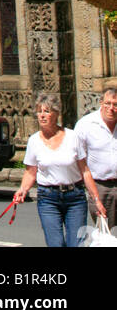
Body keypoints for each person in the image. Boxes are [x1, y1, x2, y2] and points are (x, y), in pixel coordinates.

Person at [14, 93, 106, 247]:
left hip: (75, 197)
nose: (42, 115)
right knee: (55, 244)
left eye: (47, 111)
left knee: (75, 244)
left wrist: (96, 200)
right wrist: (22, 190)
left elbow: (85, 170)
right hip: (48, 198)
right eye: (39, 111)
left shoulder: (72, 137)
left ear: (56, 114)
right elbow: (30, 172)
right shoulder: (34, 141)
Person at [74, 84, 117, 232]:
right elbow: (80, 161)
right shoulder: (86, 125)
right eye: (108, 104)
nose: (111, 108)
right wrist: (94, 195)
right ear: (101, 103)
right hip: (100, 186)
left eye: (116, 105)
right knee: (104, 233)